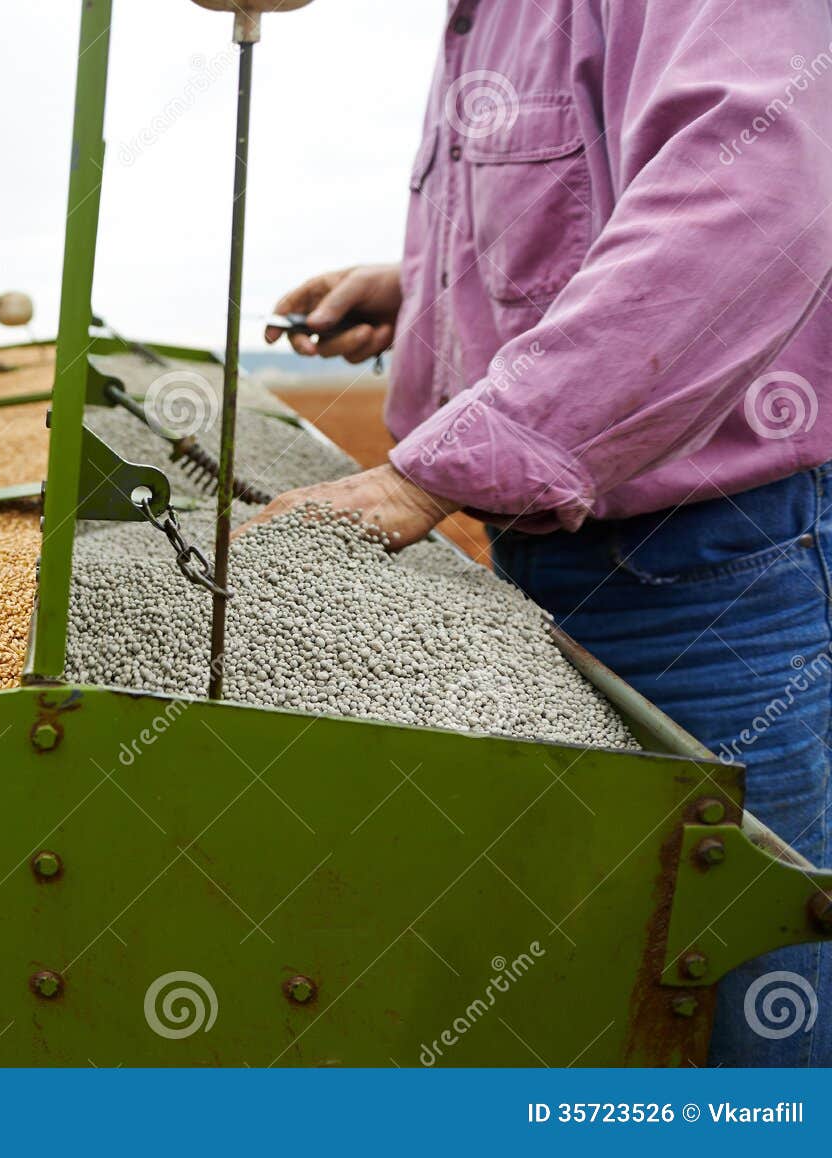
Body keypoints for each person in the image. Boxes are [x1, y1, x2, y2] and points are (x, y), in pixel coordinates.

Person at [247, 3, 832, 1067]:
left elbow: (750, 205)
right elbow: (597, 199)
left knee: (737, 975)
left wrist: (439, 469)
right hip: (556, 546)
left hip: (699, 569)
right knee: (610, 968)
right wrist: (423, 291)